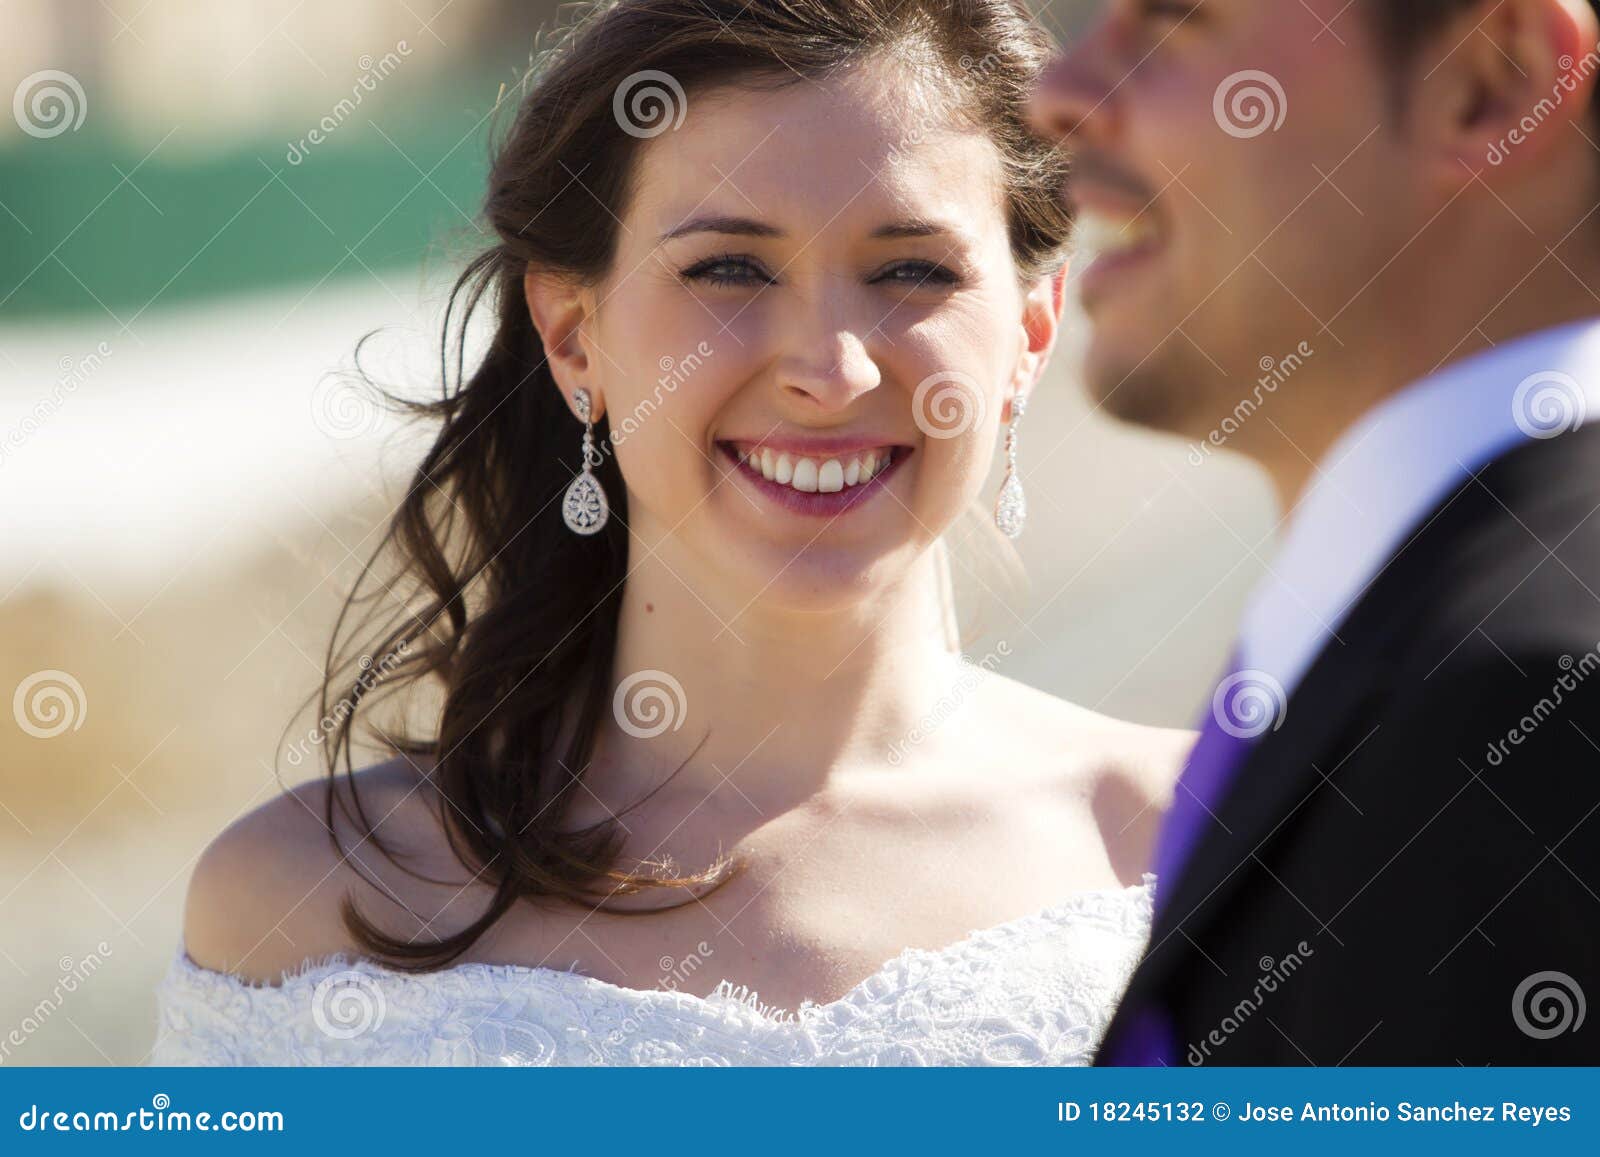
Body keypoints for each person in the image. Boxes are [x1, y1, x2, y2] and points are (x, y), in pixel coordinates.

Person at [148, 0, 1190, 1067]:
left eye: (910, 270)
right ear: (572, 334)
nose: (829, 372)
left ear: (1030, 331)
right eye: (729, 268)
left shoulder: (1206, 847)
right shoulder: (303, 904)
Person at [1028, 0, 1600, 1064]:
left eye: (1167, 23)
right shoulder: (1427, 644)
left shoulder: (1534, 691)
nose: (1057, 96)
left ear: (1494, 86)